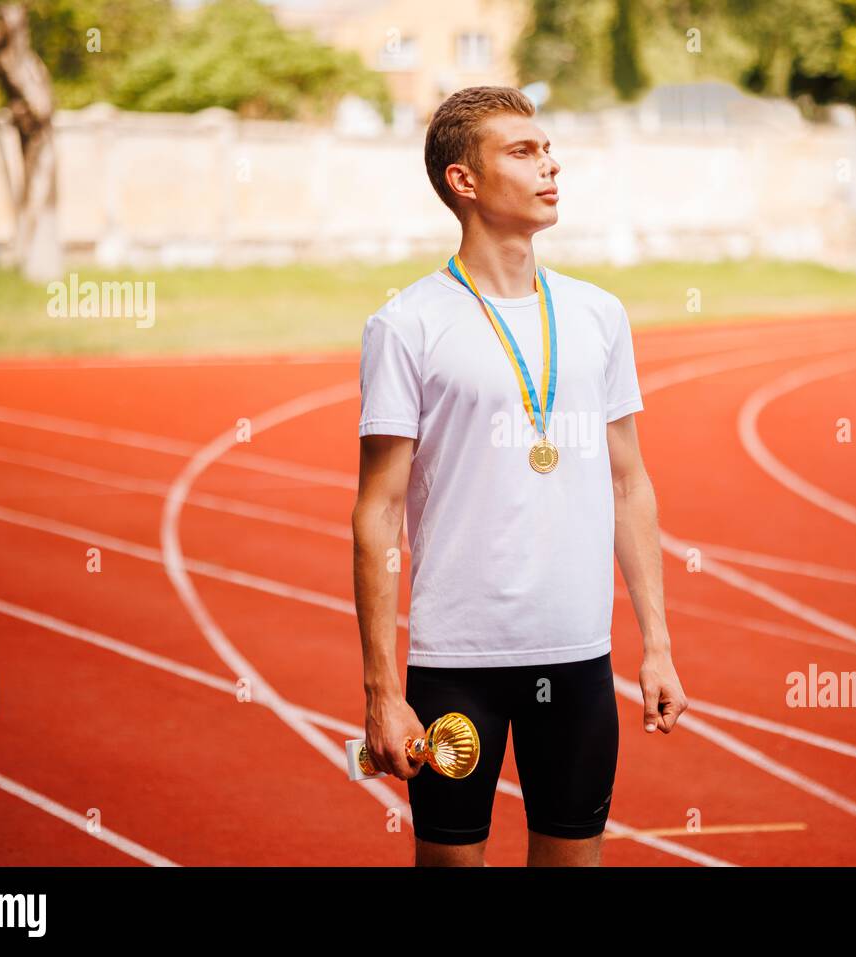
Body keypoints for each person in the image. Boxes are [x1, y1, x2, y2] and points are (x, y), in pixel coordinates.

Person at [352, 85, 687, 867]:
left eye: (549, 150)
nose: (551, 165)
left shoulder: (598, 314)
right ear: (464, 181)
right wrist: (381, 690)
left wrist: (658, 645)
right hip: (456, 662)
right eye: (524, 151)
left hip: (577, 657)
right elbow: (378, 512)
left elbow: (628, 482)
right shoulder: (407, 325)